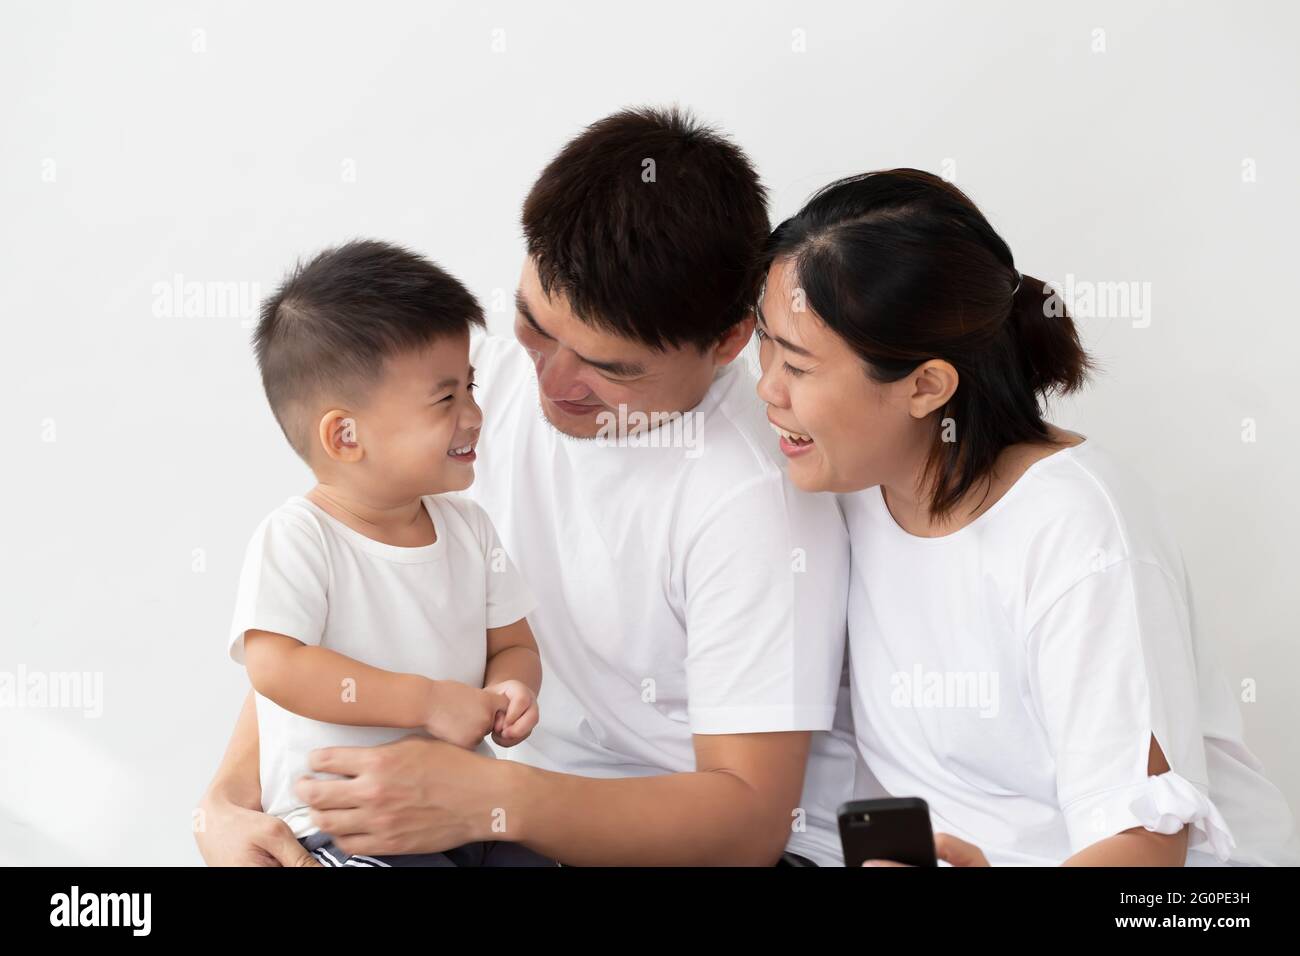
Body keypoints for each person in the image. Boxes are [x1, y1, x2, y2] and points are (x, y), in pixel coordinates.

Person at [195, 108, 863, 867]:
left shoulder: (752, 500)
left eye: (609, 368)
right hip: (493, 813)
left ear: (726, 343)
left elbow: (749, 827)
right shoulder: (469, 386)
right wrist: (226, 804)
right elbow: (329, 604)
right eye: (535, 326)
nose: (552, 383)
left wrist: (483, 801)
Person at [753, 168, 1299, 865]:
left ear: (926, 386)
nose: (766, 385)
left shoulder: (1078, 533)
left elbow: (1142, 845)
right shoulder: (851, 474)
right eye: (766, 340)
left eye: (797, 365)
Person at [228, 239, 553, 866]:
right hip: (343, 824)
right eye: (445, 399)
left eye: (471, 387)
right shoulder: (299, 537)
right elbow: (277, 668)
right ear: (345, 435)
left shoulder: (470, 528)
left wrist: (513, 686)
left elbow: (513, 642)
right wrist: (426, 701)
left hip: (459, 805)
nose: (474, 414)